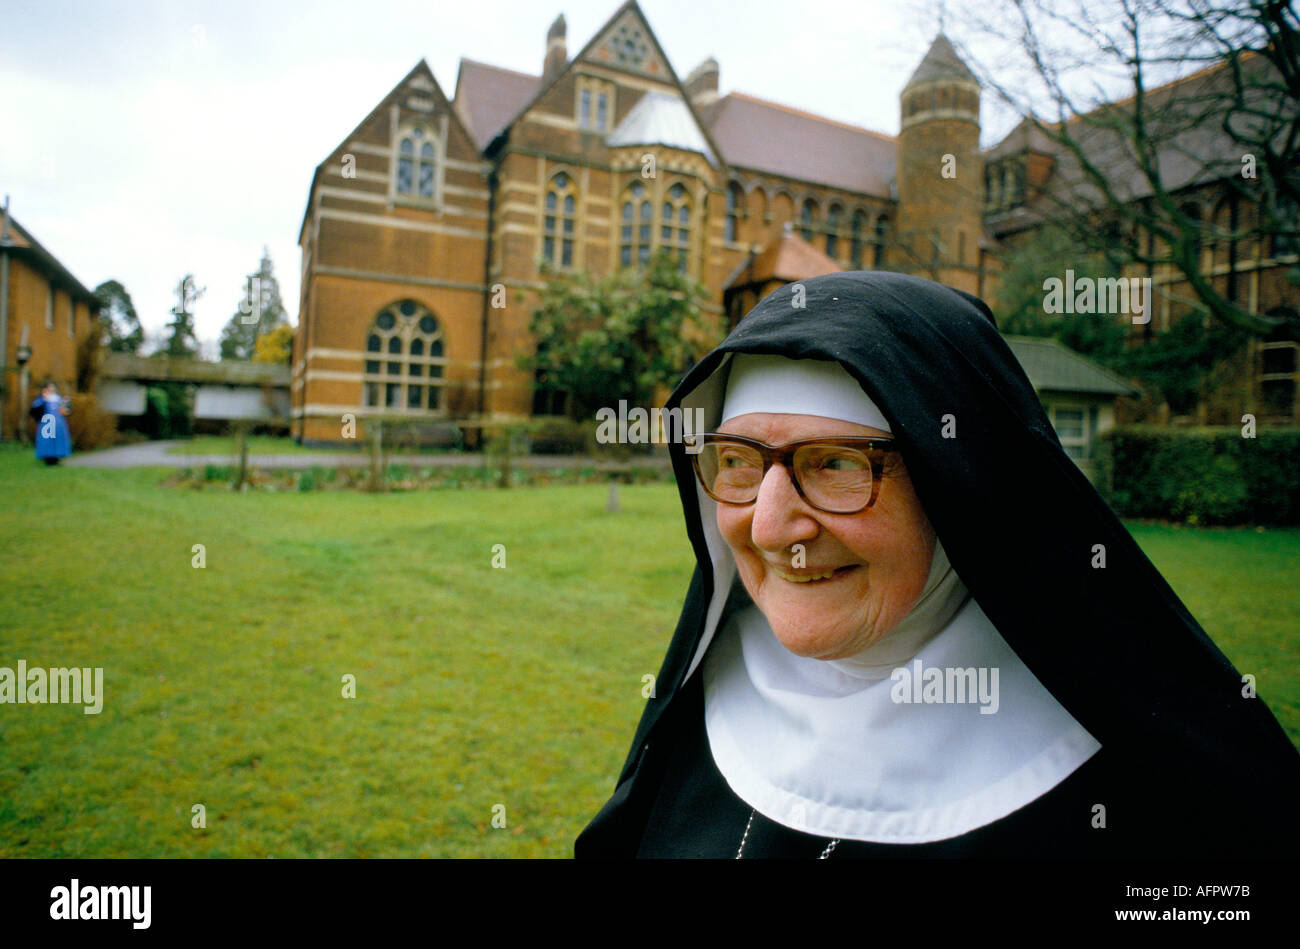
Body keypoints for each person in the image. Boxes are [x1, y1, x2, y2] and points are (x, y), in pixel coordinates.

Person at [575, 270, 1300, 858]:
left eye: (834, 464)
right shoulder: (703, 704)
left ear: (961, 484)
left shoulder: (1143, 809)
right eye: (736, 462)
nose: (769, 527)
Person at [32, 381, 73, 466]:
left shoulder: (58, 399)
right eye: (49, 387)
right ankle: (48, 458)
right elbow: (35, 411)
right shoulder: (42, 399)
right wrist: (44, 400)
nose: (51, 389)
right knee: (47, 441)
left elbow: (65, 411)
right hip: (47, 424)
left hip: (58, 424)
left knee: (58, 441)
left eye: (53, 387)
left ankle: (56, 458)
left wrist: (66, 405)